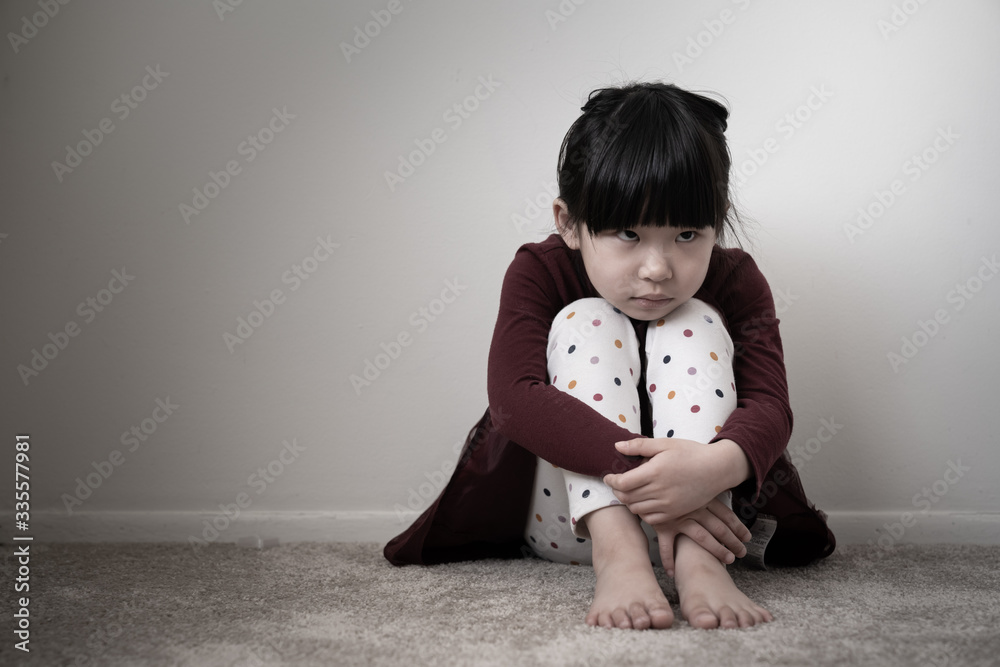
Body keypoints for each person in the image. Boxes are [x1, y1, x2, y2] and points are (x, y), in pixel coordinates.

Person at [384, 81, 835, 630]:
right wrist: (654, 479)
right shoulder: (539, 270)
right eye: (627, 233)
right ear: (568, 223)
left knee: (692, 317)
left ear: (716, 223)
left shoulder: (737, 278)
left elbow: (770, 406)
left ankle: (700, 565)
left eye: (687, 235)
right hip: (575, 524)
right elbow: (513, 401)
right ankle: (619, 559)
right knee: (587, 317)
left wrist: (710, 470)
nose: (658, 269)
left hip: (712, 518)